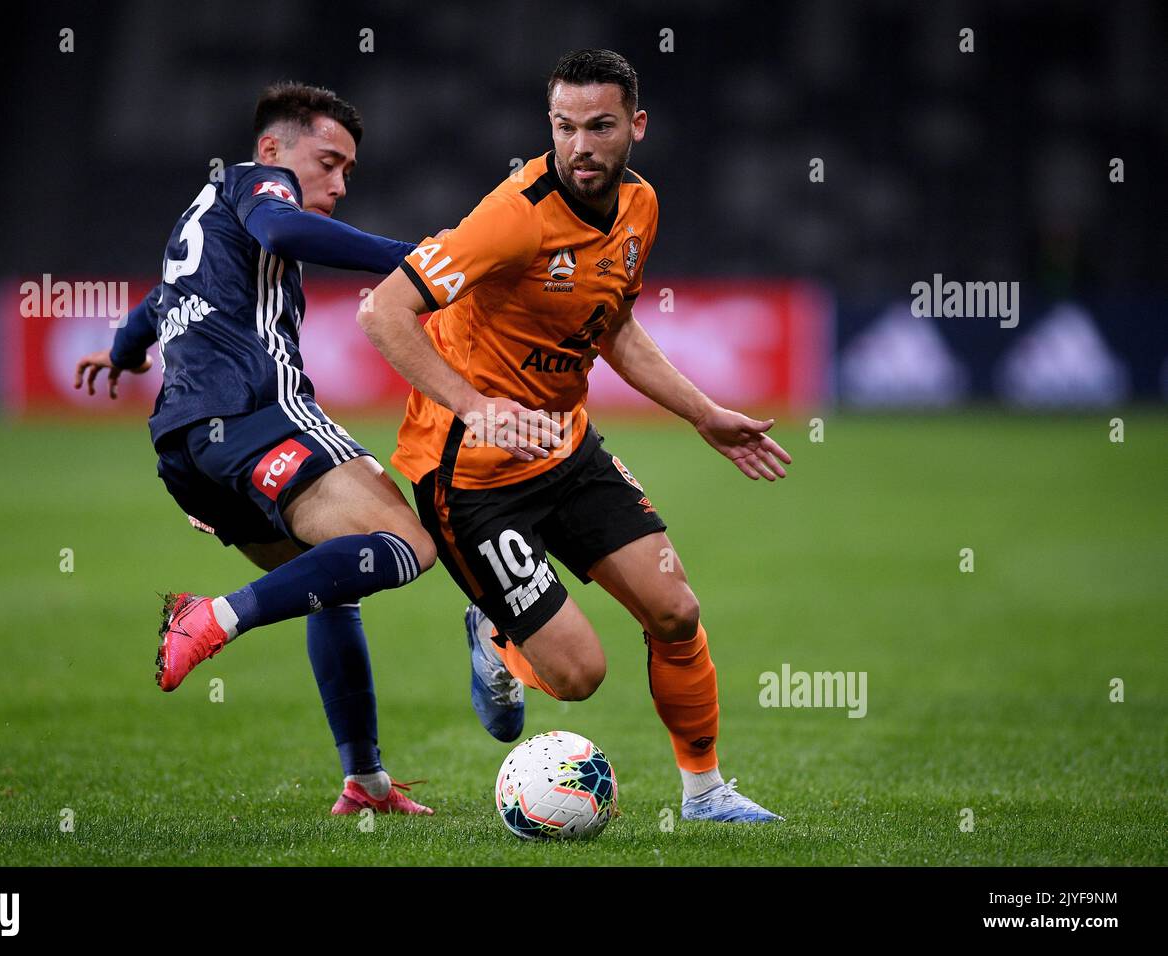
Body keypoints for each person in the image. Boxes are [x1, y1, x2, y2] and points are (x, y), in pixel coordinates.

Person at [359, 50, 792, 823]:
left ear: (636, 126)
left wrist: (702, 412)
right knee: (579, 675)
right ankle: (497, 636)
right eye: (564, 127)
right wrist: (472, 404)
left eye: (599, 126)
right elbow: (381, 312)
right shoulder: (513, 215)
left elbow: (612, 328)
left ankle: (706, 794)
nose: (580, 145)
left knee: (676, 612)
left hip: (566, 445)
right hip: (471, 479)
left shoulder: (640, 206)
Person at [74, 81, 438, 816]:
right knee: (405, 544)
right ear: (273, 148)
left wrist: (121, 351)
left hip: (186, 450)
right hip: (256, 413)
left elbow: (160, 300)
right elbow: (285, 232)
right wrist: (418, 261)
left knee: (329, 582)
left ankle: (364, 782)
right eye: (328, 162)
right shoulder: (256, 185)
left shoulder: (203, 209)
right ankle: (212, 617)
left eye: (349, 172)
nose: (338, 184)